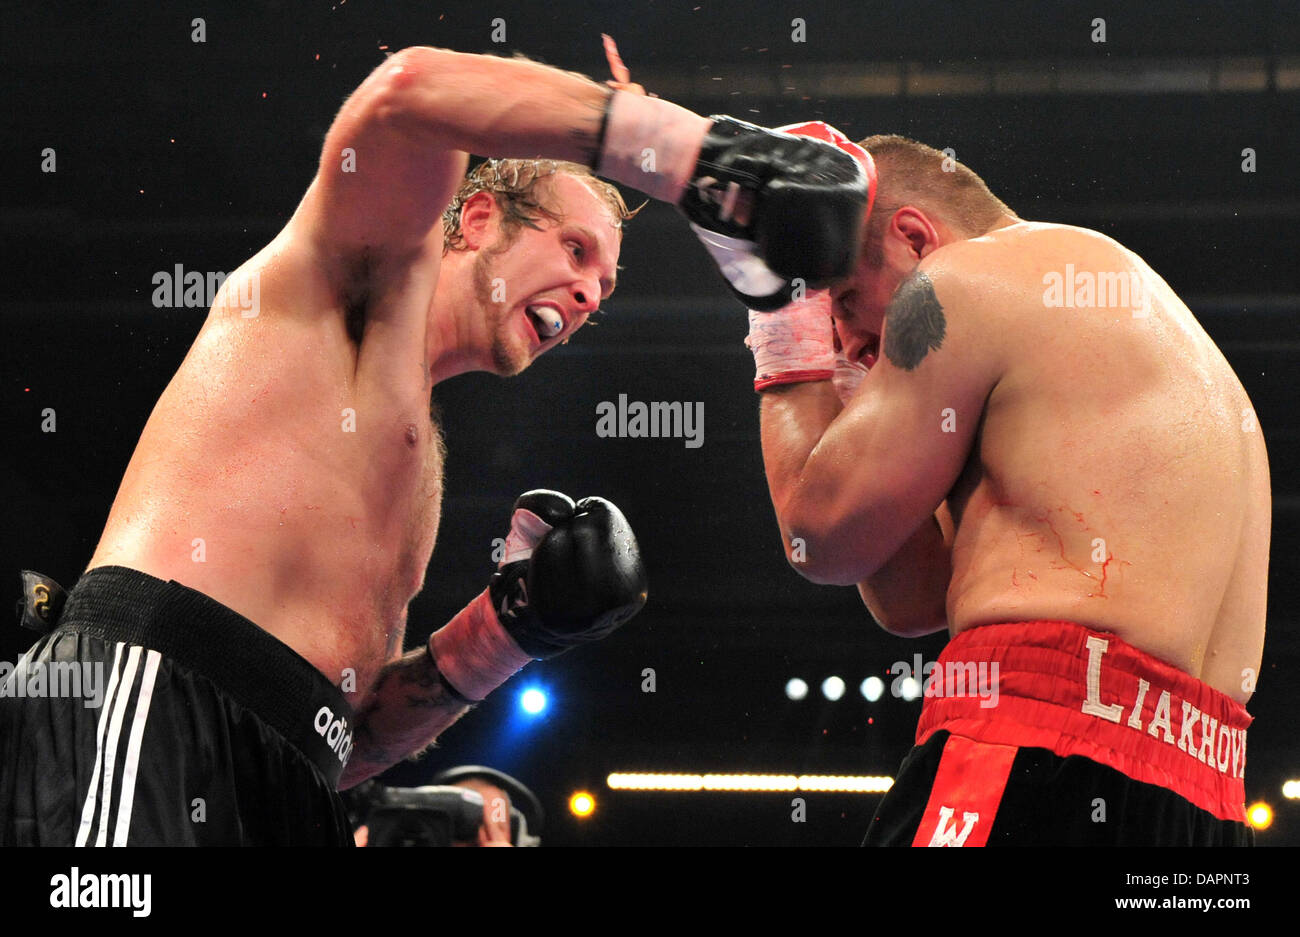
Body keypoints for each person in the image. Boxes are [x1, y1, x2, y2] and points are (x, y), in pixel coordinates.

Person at [0, 42, 868, 846]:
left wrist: (512, 632)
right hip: (152, 705)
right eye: (573, 249)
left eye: (602, 288)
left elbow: (350, 740)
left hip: (288, 780)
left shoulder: (420, 470)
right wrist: (687, 151)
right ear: (478, 215)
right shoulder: (350, 282)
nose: (588, 295)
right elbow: (409, 92)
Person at [744, 127, 1269, 846]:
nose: (843, 340)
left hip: (1034, 751)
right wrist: (847, 384)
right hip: (1203, 808)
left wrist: (781, 321)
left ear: (914, 238)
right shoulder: (1142, 328)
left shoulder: (962, 283)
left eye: (840, 302)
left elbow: (821, 535)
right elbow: (912, 597)